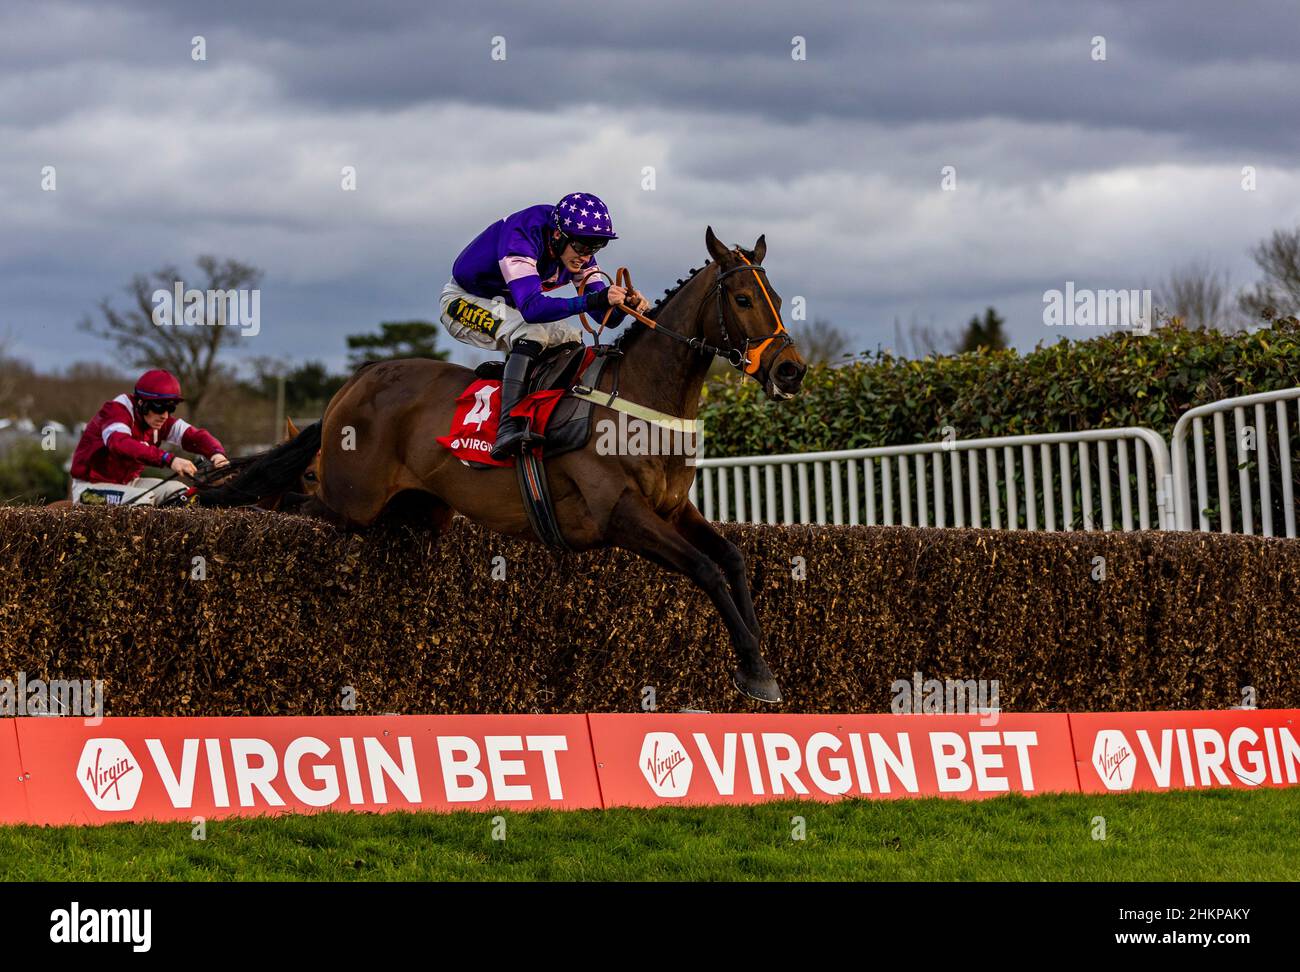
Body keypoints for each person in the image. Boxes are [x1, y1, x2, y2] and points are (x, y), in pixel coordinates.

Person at [439, 192, 650, 460]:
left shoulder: (576, 248)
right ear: (559, 235)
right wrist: (596, 298)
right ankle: (507, 428)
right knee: (531, 331)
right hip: (462, 300)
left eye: (595, 249)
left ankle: (542, 408)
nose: (586, 257)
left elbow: (601, 317)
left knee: (571, 337)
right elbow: (532, 309)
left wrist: (624, 306)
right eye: (583, 248)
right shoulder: (523, 235)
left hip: (507, 305)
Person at [68, 369, 229, 506]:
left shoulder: (158, 421)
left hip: (128, 484)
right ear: (140, 403)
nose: (165, 415)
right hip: (88, 490)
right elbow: (120, 444)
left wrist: (216, 454)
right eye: (159, 407)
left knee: (182, 493)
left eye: (170, 408)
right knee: (143, 501)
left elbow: (193, 436)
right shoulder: (116, 411)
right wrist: (169, 459)